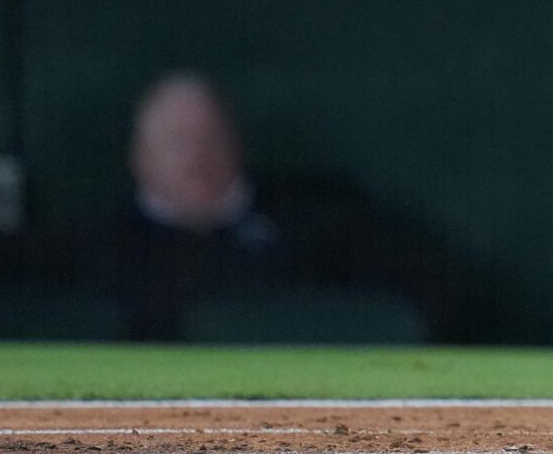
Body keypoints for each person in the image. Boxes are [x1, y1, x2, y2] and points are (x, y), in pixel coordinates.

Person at [82, 71, 436, 341]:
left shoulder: (316, 221)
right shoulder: (96, 244)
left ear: (237, 143)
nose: (198, 156)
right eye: (179, 142)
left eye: (211, 137)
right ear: (140, 156)